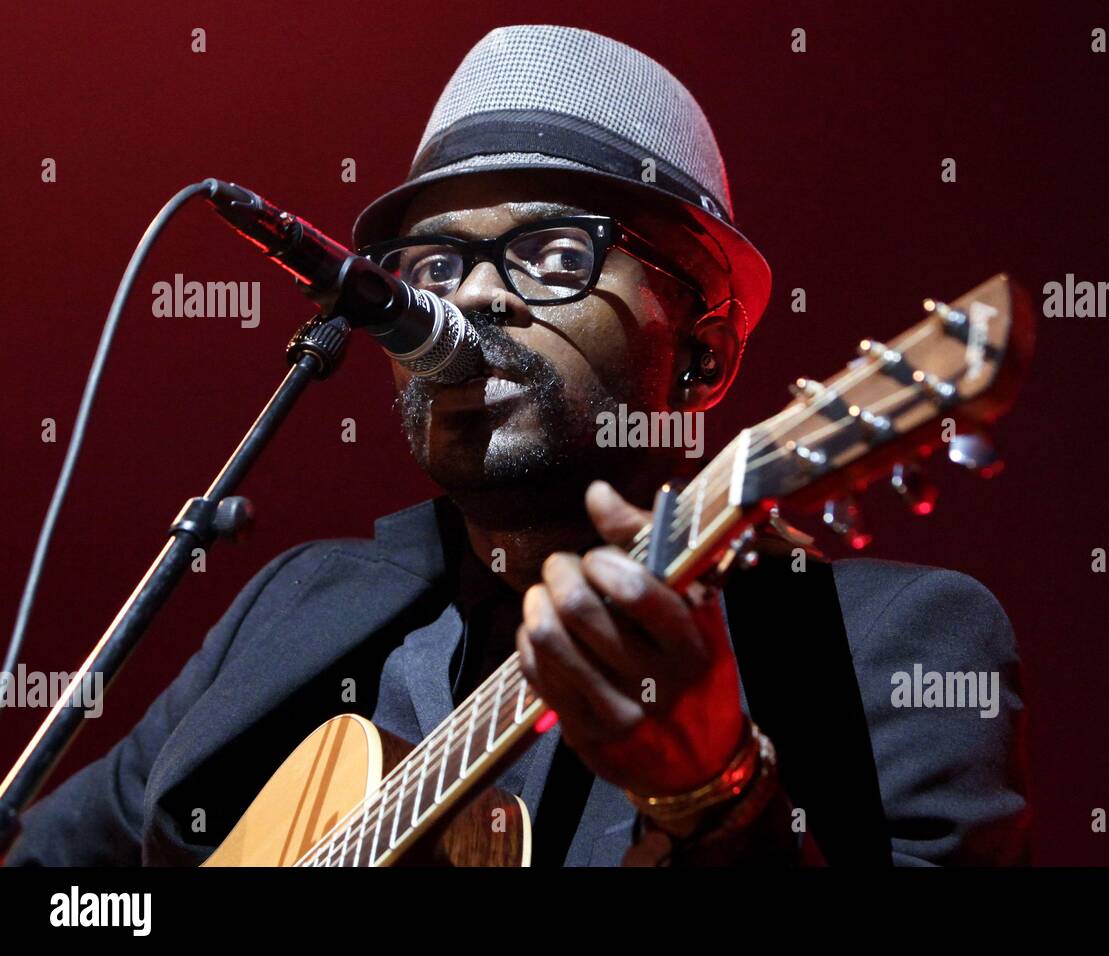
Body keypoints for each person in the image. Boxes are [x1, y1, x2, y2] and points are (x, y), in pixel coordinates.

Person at [7, 24, 1028, 867]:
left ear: (703, 354)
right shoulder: (296, 604)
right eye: (433, 265)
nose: (479, 294)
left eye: (552, 253)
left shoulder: (884, 643)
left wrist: (714, 793)